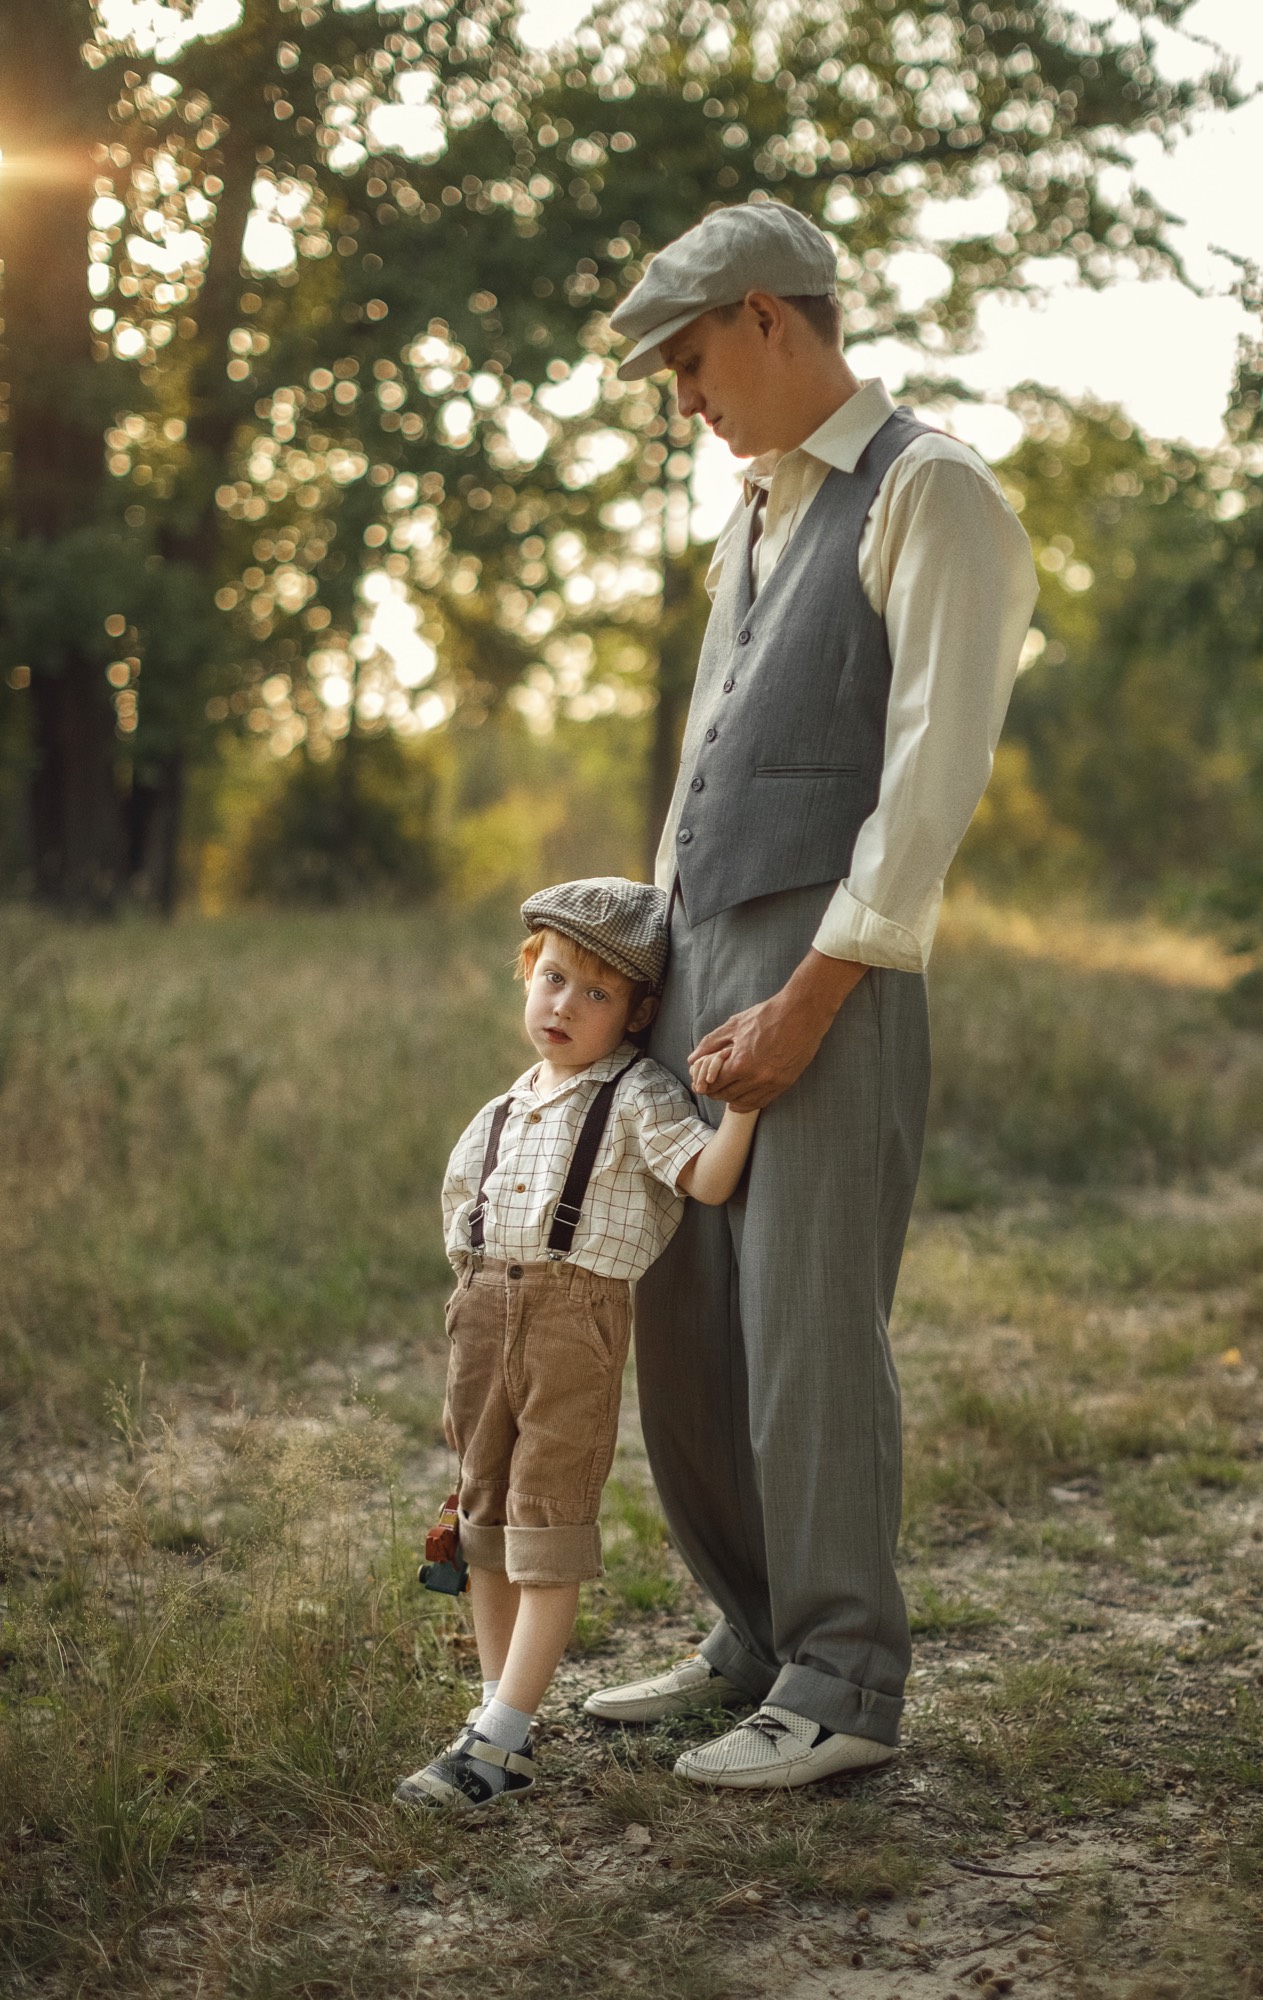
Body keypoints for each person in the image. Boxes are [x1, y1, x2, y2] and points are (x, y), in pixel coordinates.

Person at [581, 204, 1038, 1788]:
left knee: (805, 1335)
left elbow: (927, 788)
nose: (684, 399)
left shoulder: (934, 492)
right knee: (689, 1324)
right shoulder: (757, 516)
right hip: (702, 962)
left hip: (833, 971)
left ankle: (843, 1681)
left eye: (693, 362)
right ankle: (752, 1642)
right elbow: (712, 765)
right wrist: (648, 969)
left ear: (772, 319)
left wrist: (806, 997)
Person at [395, 876, 759, 1812]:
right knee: (482, 1519)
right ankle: (495, 1721)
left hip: (574, 1318)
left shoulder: (637, 1094)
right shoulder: (503, 1108)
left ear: (637, 1016)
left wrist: (747, 1105)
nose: (565, 1004)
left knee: (547, 1520)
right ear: (526, 975)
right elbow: (457, 1215)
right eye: (553, 978)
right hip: (479, 1314)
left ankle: (501, 1738)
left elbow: (707, 1180)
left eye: (596, 993)